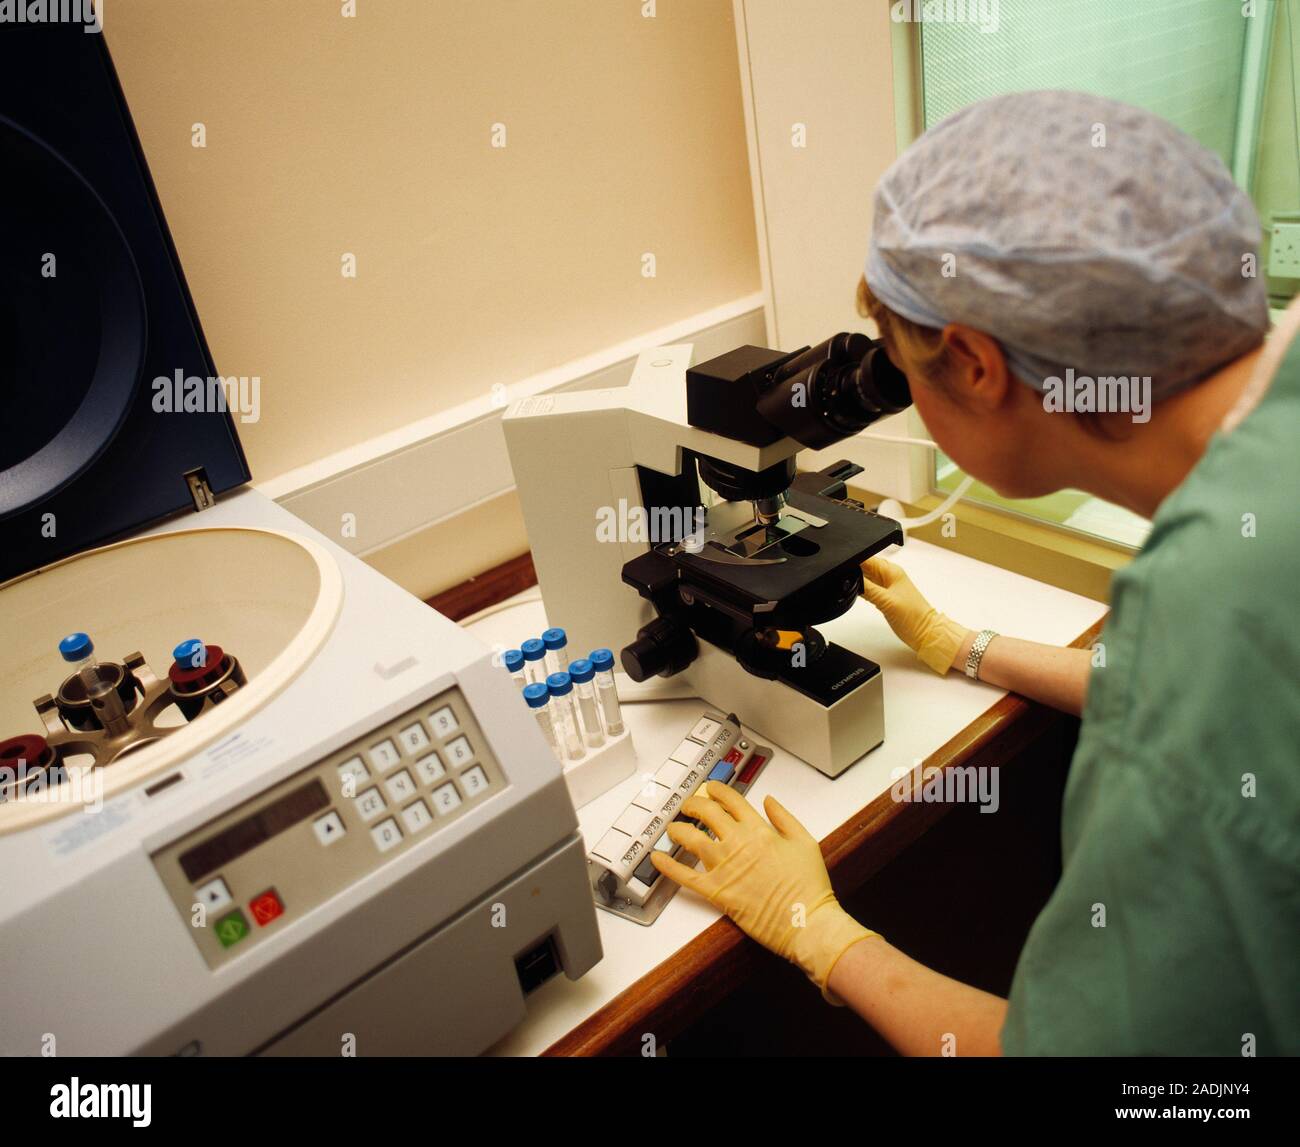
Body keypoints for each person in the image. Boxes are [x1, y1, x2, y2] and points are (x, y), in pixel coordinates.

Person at [651, 90, 1300, 1056]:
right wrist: (967, 646)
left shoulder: (1214, 600)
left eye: (900, 371)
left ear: (974, 362)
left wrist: (812, 926)